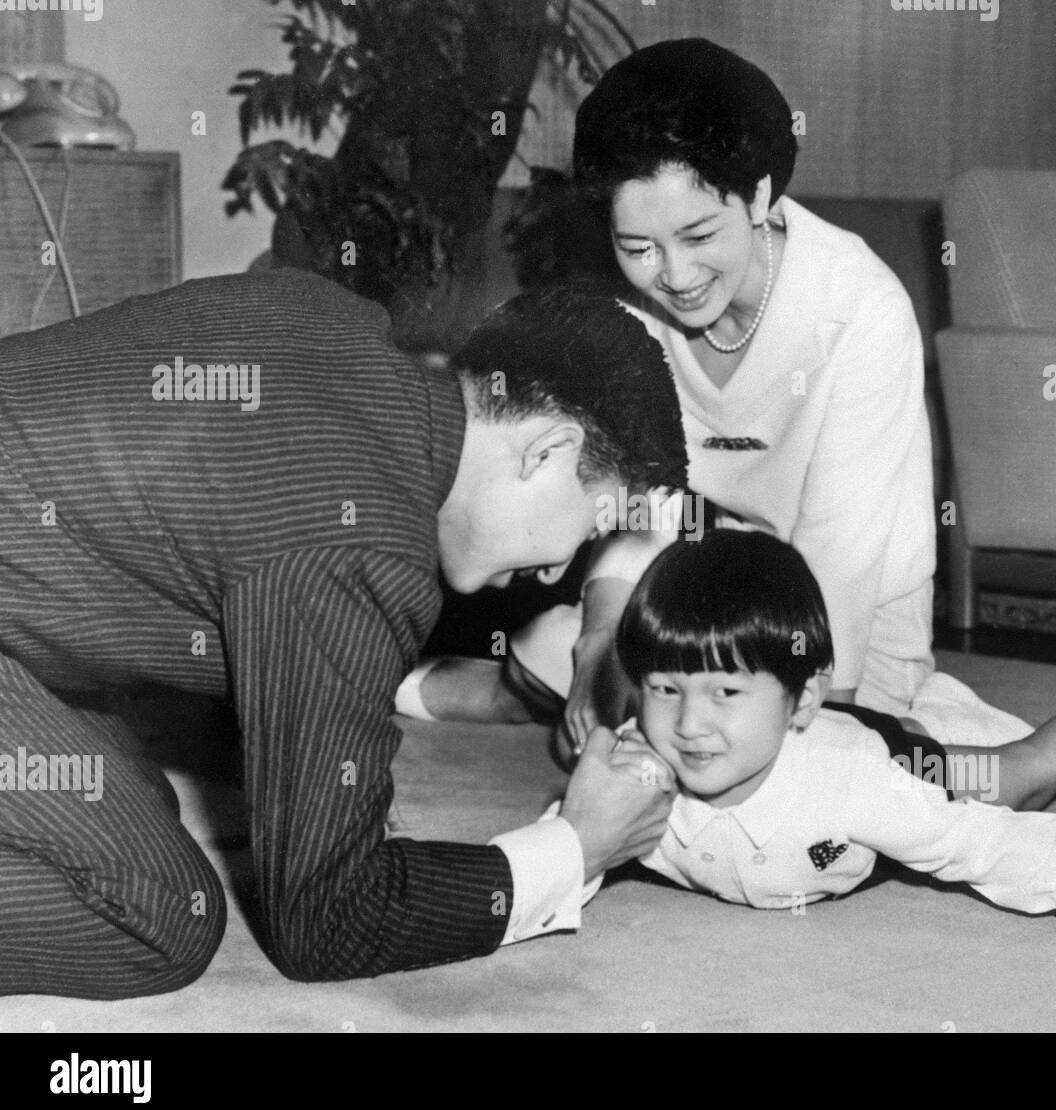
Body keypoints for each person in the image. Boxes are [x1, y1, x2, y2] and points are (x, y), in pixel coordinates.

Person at [0, 270, 687, 998]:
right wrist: (574, 847)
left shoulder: (338, 323)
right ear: (546, 449)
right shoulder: (362, 545)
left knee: (130, 799)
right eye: (596, 522)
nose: (558, 570)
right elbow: (323, 918)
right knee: (158, 909)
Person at [400, 37, 1025, 756]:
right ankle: (464, 687)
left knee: (790, 768)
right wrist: (600, 642)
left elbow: (838, 577)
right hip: (694, 586)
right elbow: (641, 504)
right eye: (638, 246)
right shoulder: (629, 313)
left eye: (699, 235)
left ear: (759, 194)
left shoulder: (860, 311)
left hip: (839, 618)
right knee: (569, 651)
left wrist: (811, 729)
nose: (676, 274)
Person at [576, 530, 1056, 924]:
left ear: (802, 696)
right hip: (831, 729)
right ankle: (936, 707)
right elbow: (563, 844)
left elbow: (976, 844)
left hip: (898, 756)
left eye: (724, 689)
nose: (690, 723)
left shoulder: (858, 788)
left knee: (1021, 777)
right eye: (665, 687)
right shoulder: (638, 777)